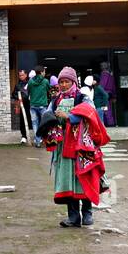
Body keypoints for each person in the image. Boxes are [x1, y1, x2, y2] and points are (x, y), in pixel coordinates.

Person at [46, 67, 109, 229]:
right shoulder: (56, 100)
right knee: (68, 181)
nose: (64, 85)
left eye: (66, 81)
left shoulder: (83, 97)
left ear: (73, 82)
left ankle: (87, 213)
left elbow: (90, 113)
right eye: (61, 82)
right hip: (64, 147)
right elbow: (48, 117)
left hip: (82, 146)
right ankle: (73, 217)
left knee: (84, 177)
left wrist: (70, 117)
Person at [28, 66, 51, 146]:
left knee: (35, 123)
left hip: (33, 105)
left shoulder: (30, 81)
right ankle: (46, 140)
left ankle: (38, 142)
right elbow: (50, 90)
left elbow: (29, 91)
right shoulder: (45, 81)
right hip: (42, 105)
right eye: (44, 71)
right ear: (41, 72)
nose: (45, 73)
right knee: (44, 123)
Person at [12, 69, 32, 142]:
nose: (21, 76)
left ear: (26, 75)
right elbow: (13, 94)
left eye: (22, 75)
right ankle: (24, 136)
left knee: (33, 119)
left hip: (32, 104)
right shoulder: (17, 85)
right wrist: (19, 98)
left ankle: (37, 136)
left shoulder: (30, 83)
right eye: (20, 75)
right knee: (23, 120)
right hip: (22, 105)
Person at [98, 62, 117, 127]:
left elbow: (102, 86)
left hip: (104, 95)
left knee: (105, 110)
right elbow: (113, 86)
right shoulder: (110, 75)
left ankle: (109, 124)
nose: (101, 67)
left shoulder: (104, 75)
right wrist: (114, 96)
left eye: (101, 66)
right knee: (108, 109)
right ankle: (111, 123)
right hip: (110, 94)